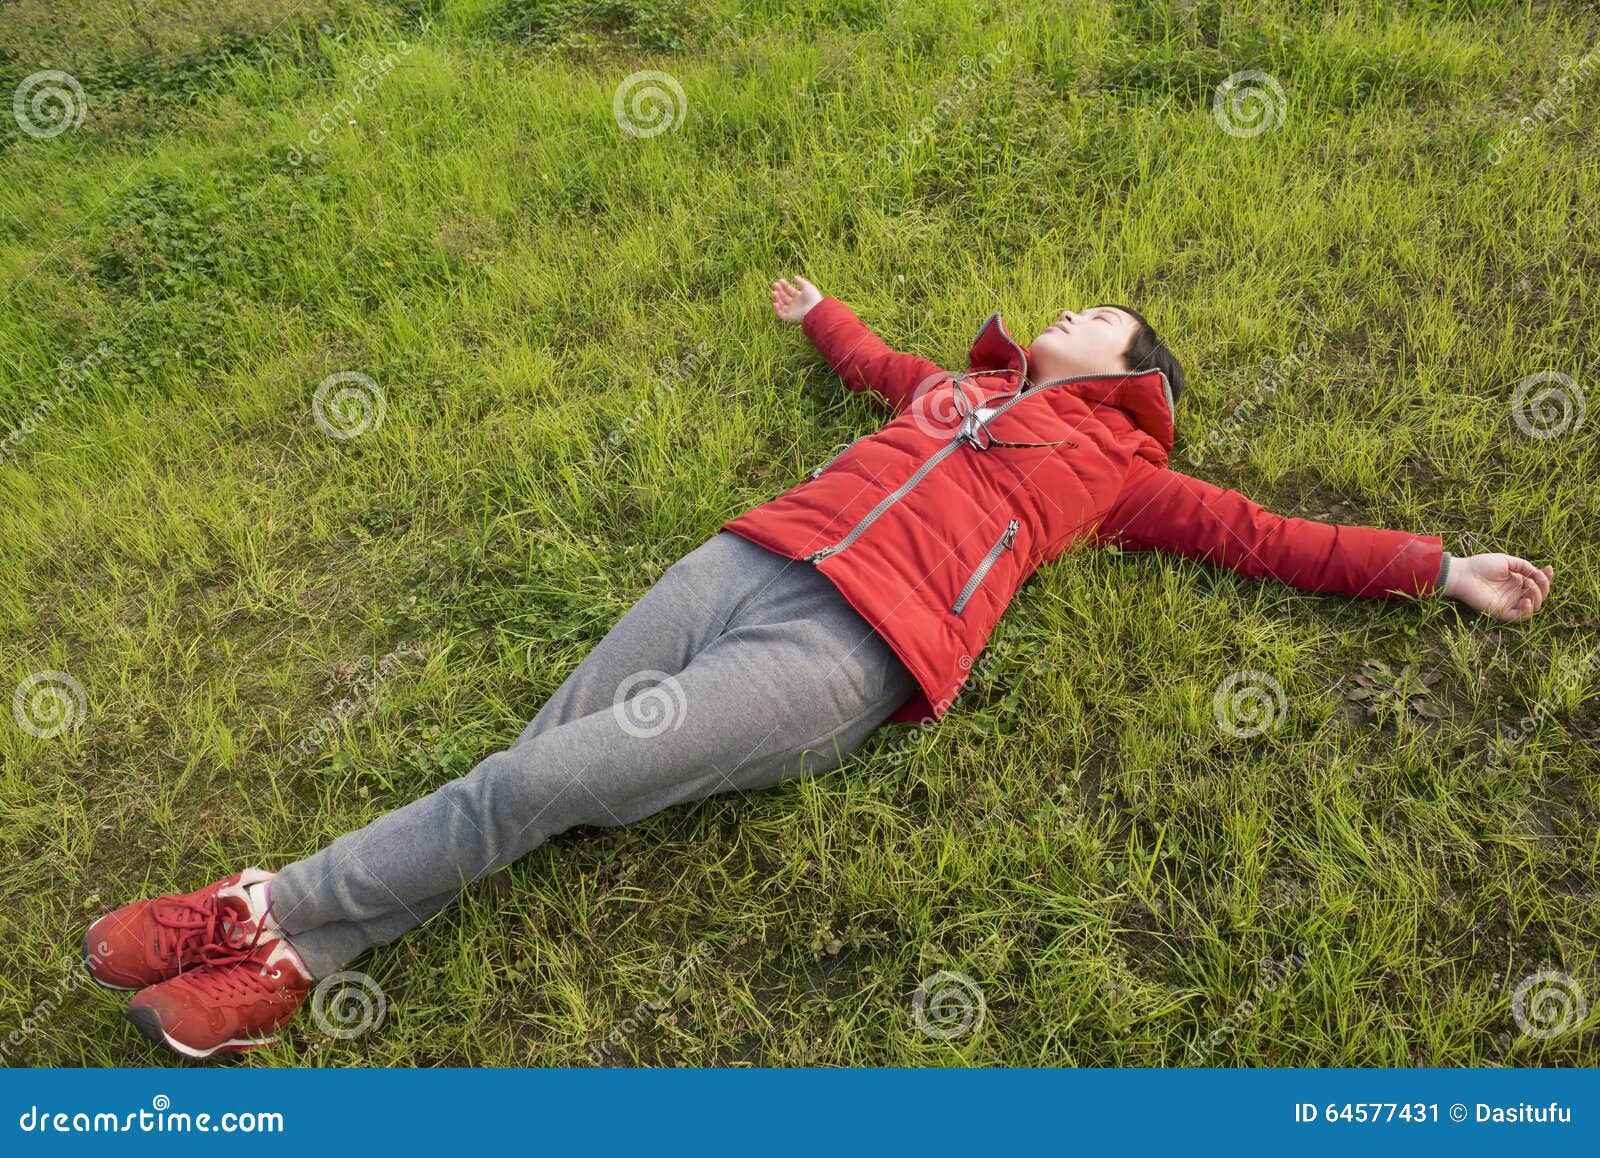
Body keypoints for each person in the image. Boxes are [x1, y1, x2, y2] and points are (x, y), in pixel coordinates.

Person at [83, 275, 1554, 1058]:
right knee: (531, 766)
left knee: (548, 771)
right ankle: (299, 959)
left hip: (845, 647)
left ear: (1136, 374)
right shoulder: (961, 390)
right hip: (740, 562)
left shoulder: (1116, 469)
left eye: (1103, 311)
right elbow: (872, 366)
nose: (1074, 303)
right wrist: (821, 318)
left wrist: (1441, 566)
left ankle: (268, 908)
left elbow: (1269, 536)